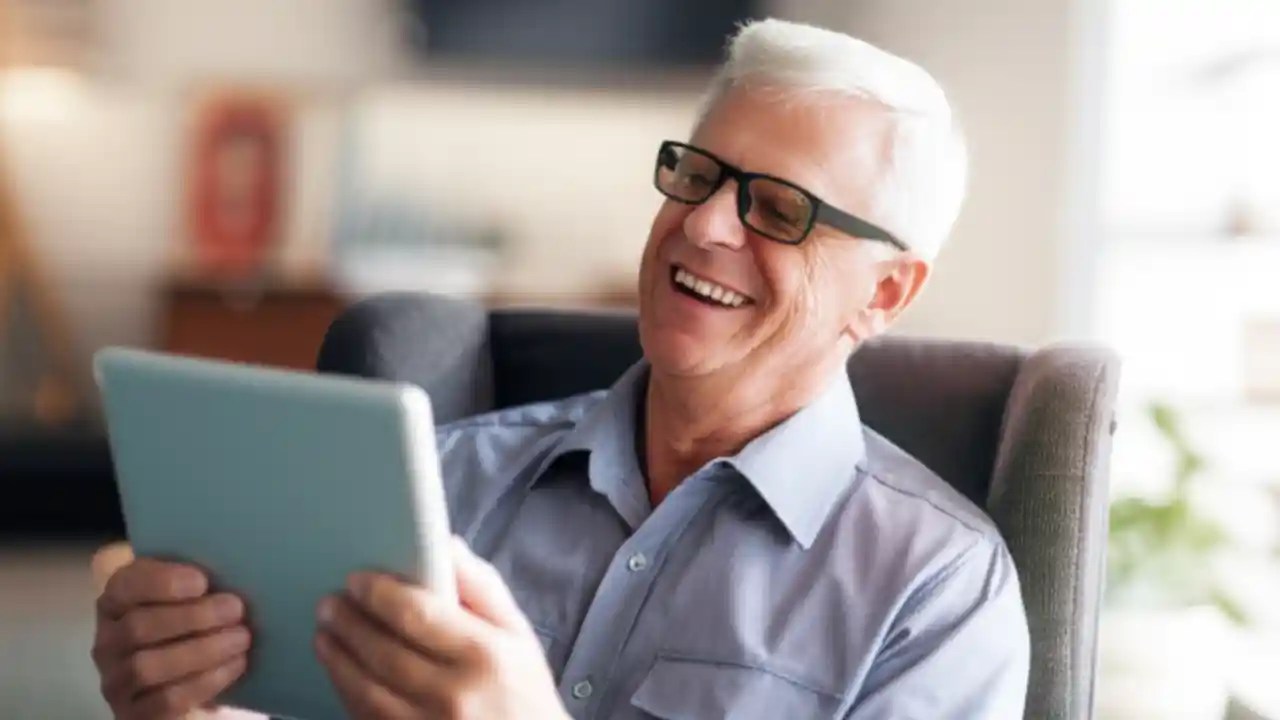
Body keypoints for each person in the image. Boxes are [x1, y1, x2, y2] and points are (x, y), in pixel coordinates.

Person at [90, 18, 1029, 720]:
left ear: (887, 294)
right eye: (699, 174)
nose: (704, 224)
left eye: (779, 210)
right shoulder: (438, 485)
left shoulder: (937, 594)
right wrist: (180, 698)